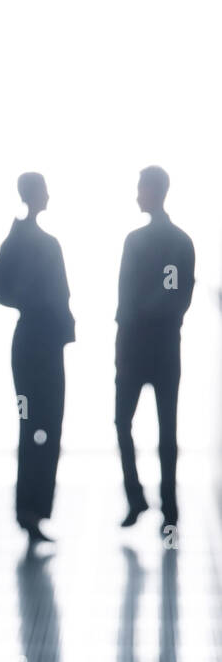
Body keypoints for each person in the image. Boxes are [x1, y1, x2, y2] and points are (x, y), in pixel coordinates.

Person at [0, 172, 75, 544]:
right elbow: (4, 286)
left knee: (37, 426)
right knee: (43, 426)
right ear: (34, 195)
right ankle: (32, 510)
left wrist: (25, 300)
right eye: (45, 191)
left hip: (31, 342)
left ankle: (32, 511)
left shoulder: (19, 239)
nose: (49, 196)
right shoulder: (35, 242)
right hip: (42, 344)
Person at [115, 166, 194, 529]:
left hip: (136, 347)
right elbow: (178, 297)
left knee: (124, 422)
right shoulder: (180, 241)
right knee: (167, 427)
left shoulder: (136, 241)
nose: (137, 195)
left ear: (152, 191)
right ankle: (169, 509)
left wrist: (131, 327)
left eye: (140, 189)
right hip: (164, 346)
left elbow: (126, 298)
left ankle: (137, 499)